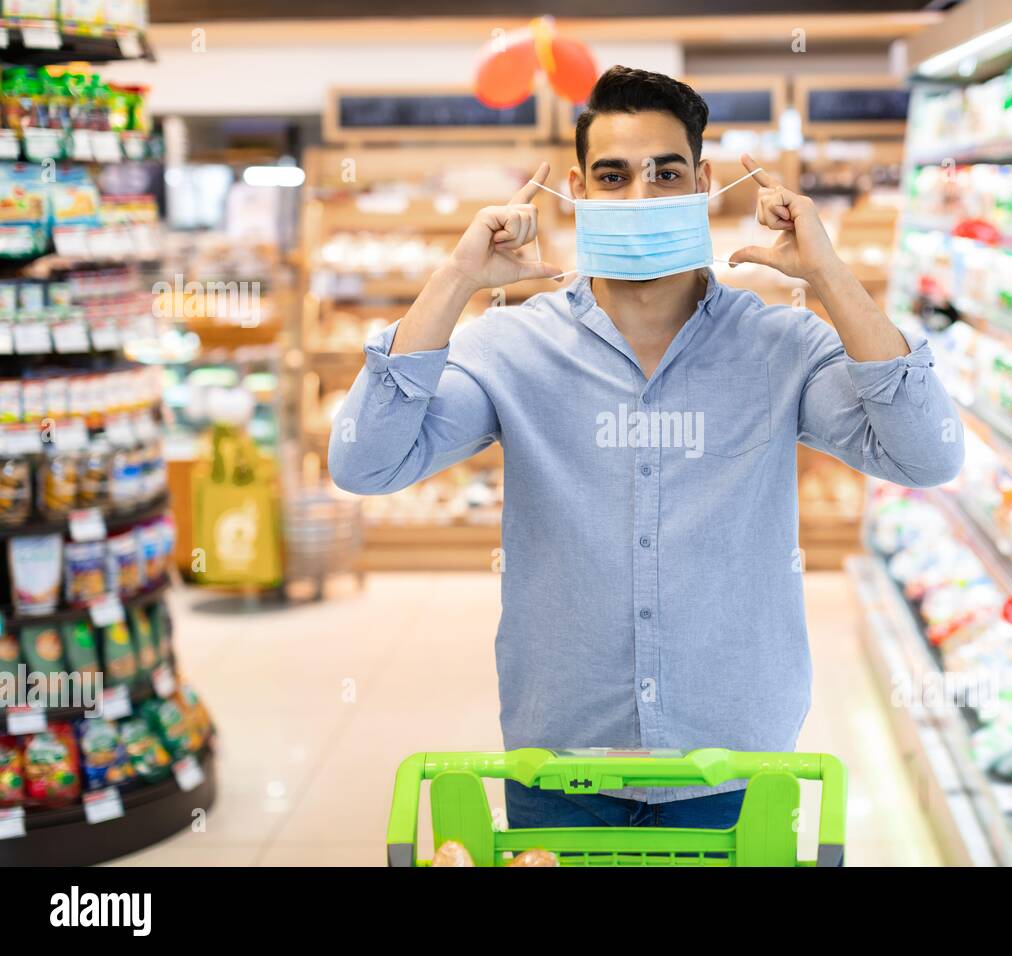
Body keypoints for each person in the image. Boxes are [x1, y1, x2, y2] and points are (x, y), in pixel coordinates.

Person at [329, 66, 964, 834]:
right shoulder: (513, 347)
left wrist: (829, 274)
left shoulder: (780, 346)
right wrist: (457, 277)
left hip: (734, 768)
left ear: (702, 182)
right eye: (614, 176)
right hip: (560, 766)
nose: (640, 196)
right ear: (578, 189)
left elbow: (927, 453)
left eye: (666, 174)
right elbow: (364, 462)